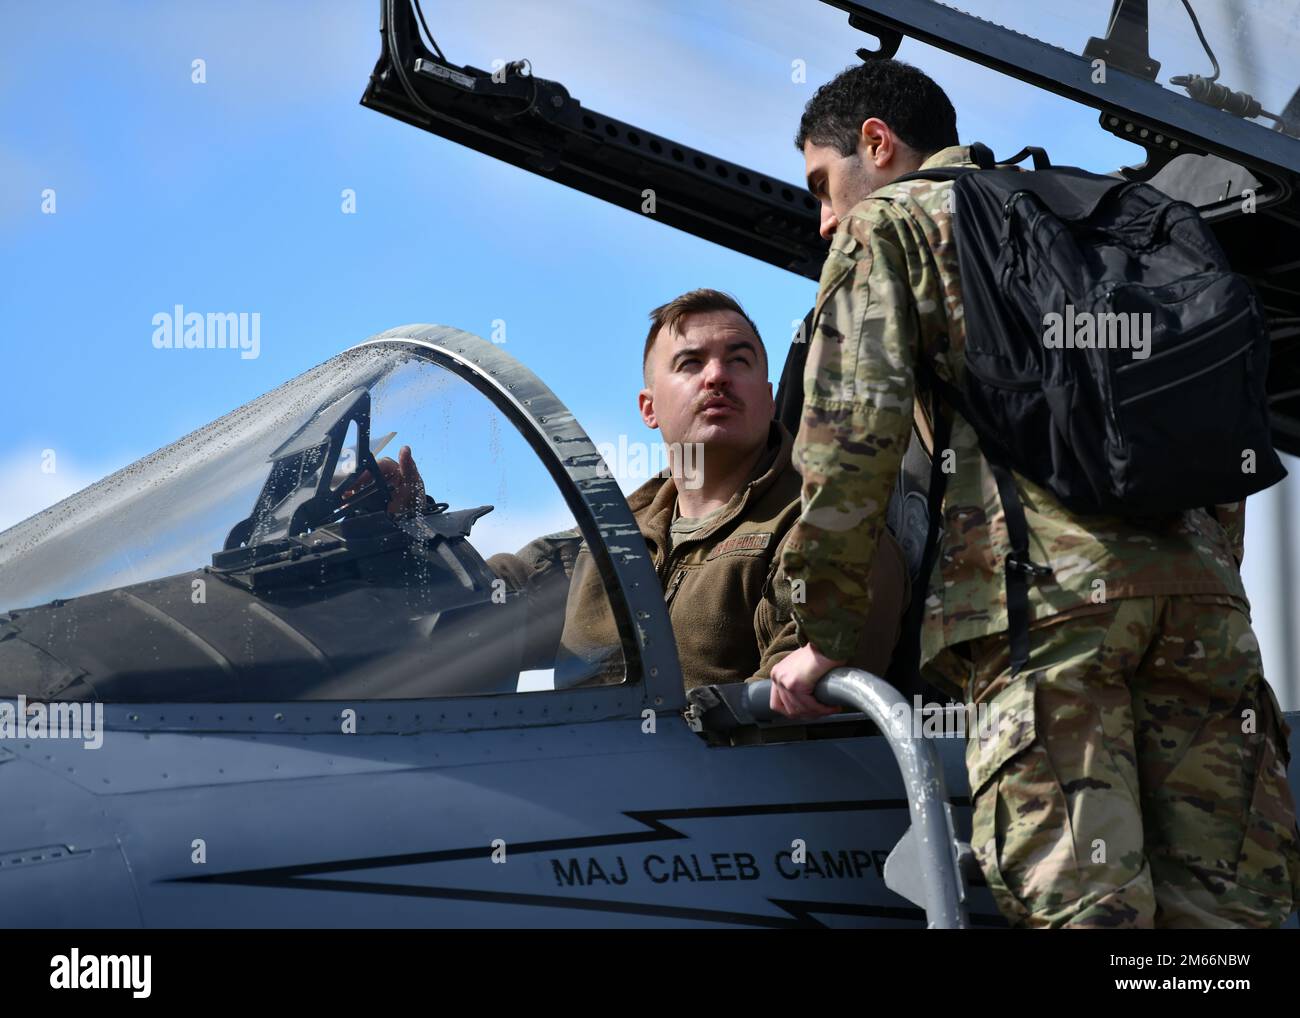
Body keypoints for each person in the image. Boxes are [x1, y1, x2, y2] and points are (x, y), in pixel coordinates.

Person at [770, 58, 1300, 928]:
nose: (825, 218)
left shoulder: (895, 223)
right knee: (1222, 927)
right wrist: (1200, 576)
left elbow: (849, 442)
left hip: (1046, 620)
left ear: (878, 142)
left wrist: (822, 634)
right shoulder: (1111, 215)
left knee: (1090, 913)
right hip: (1204, 610)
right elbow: (1213, 428)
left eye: (824, 185)